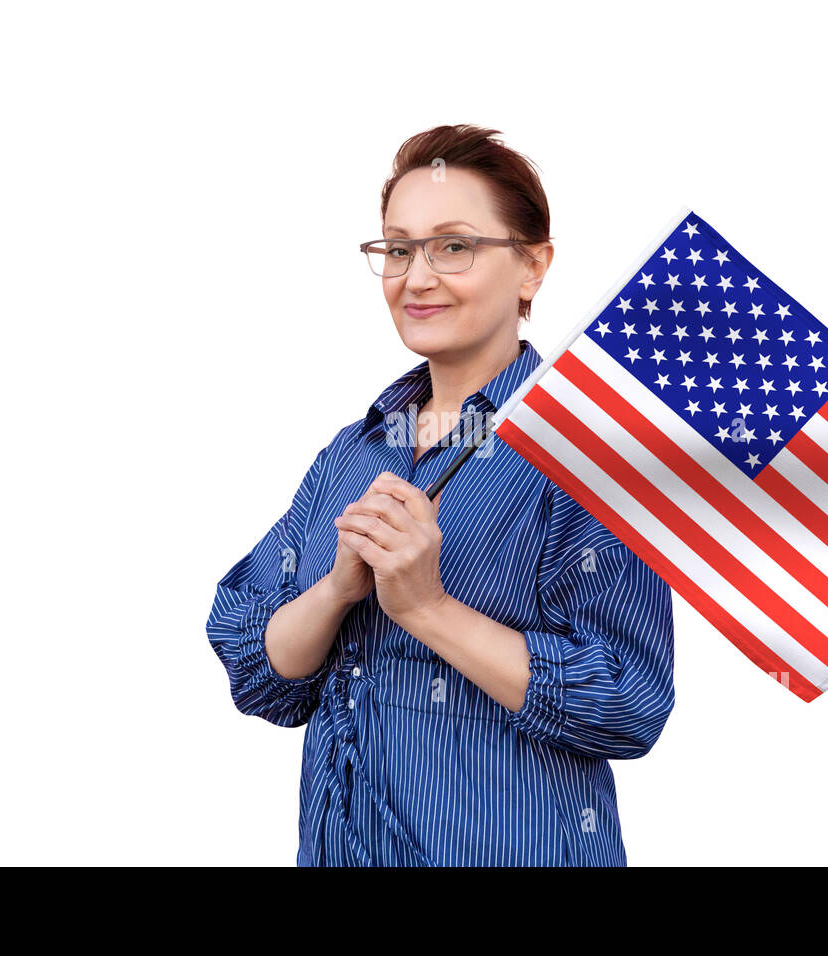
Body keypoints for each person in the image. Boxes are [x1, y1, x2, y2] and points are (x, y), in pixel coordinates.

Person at [205, 124, 675, 866]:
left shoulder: (586, 461)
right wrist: (334, 591)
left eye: (453, 246)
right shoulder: (352, 453)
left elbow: (627, 704)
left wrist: (426, 607)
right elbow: (259, 673)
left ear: (532, 267)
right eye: (397, 249)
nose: (416, 277)